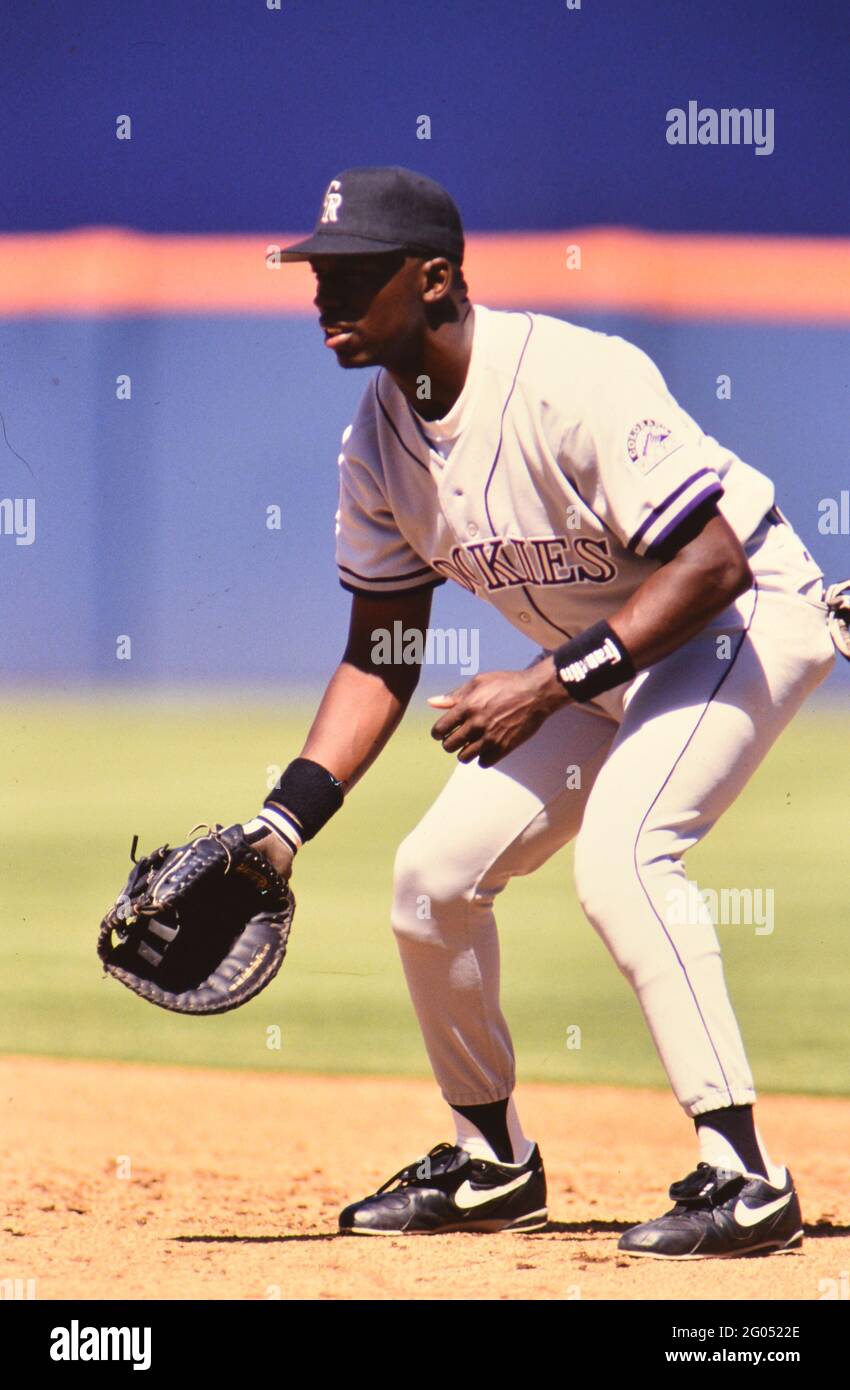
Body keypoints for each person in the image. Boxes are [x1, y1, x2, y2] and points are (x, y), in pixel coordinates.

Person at [241, 165, 835, 1256]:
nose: (323, 295)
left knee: (624, 855)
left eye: (352, 274)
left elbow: (707, 567)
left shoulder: (569, 378)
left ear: (432, 279)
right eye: (316, 271)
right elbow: (383, 652)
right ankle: (490, 1162)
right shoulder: (375, 443)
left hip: (743, 617)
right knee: (431, 880)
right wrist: (281, 827)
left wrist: (547, 682)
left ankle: (744, 1179)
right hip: (605, 660)